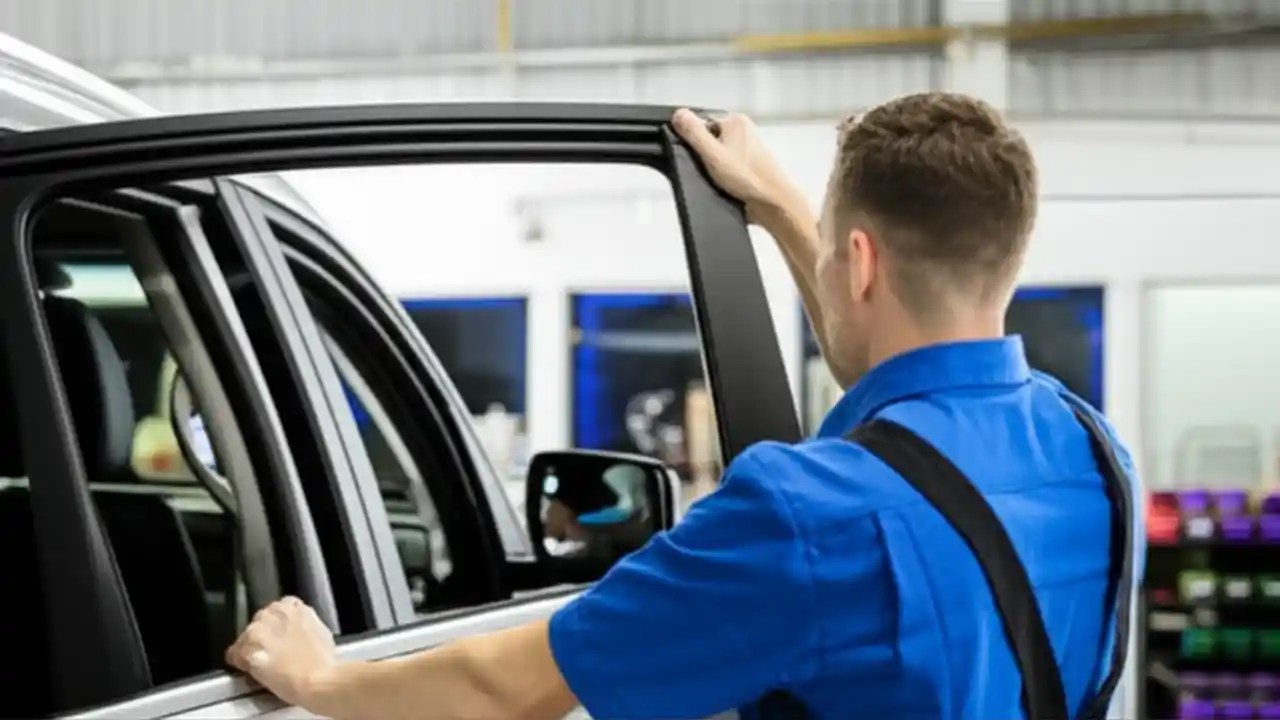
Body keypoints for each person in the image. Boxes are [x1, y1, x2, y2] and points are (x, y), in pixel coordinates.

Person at [225, 92, 1143, 720]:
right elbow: (890, 330)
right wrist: (781, 203)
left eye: (834, 254)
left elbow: (509, 691)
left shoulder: (804, 517)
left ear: (858, 262)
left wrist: (322, 679)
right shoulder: (1097, 455)